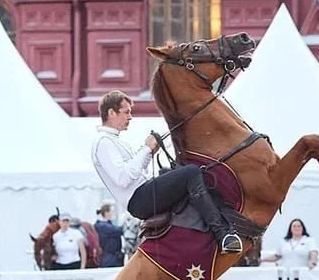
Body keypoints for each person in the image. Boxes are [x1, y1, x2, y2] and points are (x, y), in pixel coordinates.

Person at [90, 90, 242, 255]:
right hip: (139, 198)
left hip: (141, 194)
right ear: (111, 113)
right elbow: (123, 178)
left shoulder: (113, 141)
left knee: (178, 170)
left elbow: (137, 171)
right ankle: (222, 234)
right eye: (126, 112)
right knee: (191, 172)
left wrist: (150, 151)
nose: (130, 117)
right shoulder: (103, 142)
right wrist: (146, 149)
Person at [94, 204, 124, 268]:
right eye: (112, 211)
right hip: (109, 259)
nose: (114, 213)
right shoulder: (101, 226)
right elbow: (119, 230)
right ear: (106, 213)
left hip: (114, 258)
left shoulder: (108, 224)